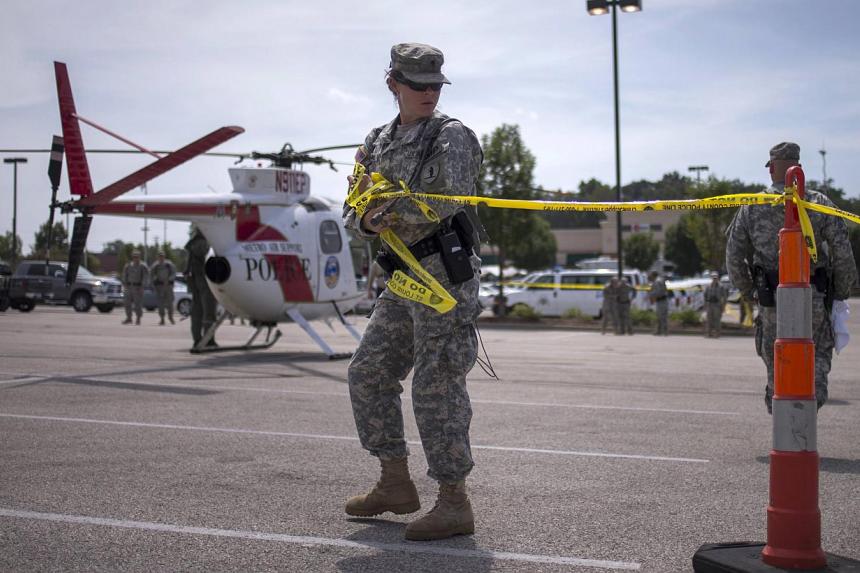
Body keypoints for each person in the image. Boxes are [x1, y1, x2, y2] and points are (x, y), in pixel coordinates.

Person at [342, 43, 484, 541]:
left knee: (436, 384)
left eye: (435, 86)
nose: (428, 93)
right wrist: (366, 217)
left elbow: (446, 200)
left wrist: (384, 214)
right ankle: (394, 482)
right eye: (419, 84)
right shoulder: (376, 141)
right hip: (400, 277)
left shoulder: (452, 136)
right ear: (393, 84)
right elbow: (353, 205)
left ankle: (453, 502)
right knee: (368, 373)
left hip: (443, 275)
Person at [726, 142, 857, 413]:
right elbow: (843, 252)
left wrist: (750, 290)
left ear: (772, 168)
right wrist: (840, 292)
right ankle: (807, 414)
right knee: (817, 357)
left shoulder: (753, 205)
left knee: (778, 365)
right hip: (814, 297)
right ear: (799, 168)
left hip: (772, 301)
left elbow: (734, 256)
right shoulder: (819, 203)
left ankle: (784, 427)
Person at [185, 227, 218, 351]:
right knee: (209, 309)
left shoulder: (193, 242)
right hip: (204, 280)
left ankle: (198, 339)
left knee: (197, 310)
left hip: (195, 279)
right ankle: (209, 339)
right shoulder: (203, 243)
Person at [121, 250, 148, 325]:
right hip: (129, 286)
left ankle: (138, 318)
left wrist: (142, 287)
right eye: (134, 256)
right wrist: (124, 283)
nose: (136, 258)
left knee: (137, 304)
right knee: (127, 303)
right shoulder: (128, 265)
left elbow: (145, 277)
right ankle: (129, 318)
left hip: (137, 287)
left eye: (137, 257)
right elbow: (124, 275)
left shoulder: (142, 266)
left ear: (139, 257)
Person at [149, 251, 176, 325]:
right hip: (159, 286)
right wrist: (153, 283)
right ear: (157, 257)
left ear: (164, 256)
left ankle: (171, 317)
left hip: (168, 286)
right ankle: (162, 319)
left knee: (170, 303)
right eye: (160, 256)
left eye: (162, 256)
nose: (161, 257)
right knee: (160, 303)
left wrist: (169, 279)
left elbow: (174, 273)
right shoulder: (155, 265)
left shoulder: (169, 264)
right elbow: (151, 275)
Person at [703, 272, 726, 338]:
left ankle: (717, 333)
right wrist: (705, 304)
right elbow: (705, 295)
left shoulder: (721, 286)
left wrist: (723, 306)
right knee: (709, 319)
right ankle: (708, 333)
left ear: (718, 278)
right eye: (713, 278)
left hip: (717, 305)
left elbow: (724, 297)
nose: (714, 279)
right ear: (711, 278)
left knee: (717, 320)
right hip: (710, 304)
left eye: (715, 278)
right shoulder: (708, 286)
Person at [648, 271, 669, 335]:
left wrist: (651, 294)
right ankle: (660, 331)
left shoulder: (657, 281)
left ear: (653, 275)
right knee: (662, 316)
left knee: (661, 317)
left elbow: (658, 292)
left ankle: (662, 331)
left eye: (651, 275)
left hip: (661, 300)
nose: (650, 276)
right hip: (663, 300)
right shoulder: (661, 280)